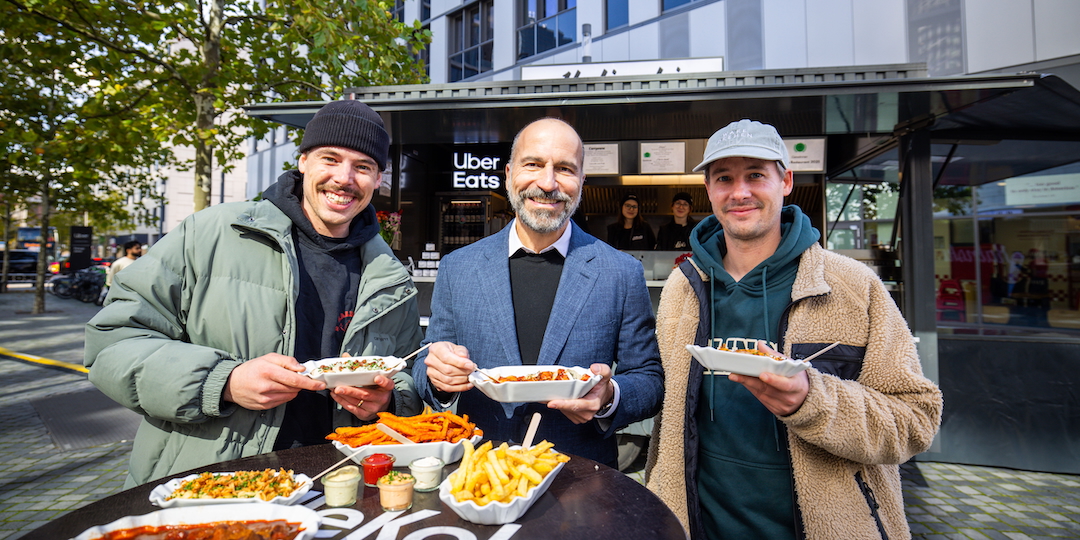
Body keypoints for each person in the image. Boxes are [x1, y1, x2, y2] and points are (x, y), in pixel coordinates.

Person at [85, 100, 424, 488]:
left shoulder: (391, 276)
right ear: (303, 161)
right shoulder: (208, 234)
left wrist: (388, 404)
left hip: (339, 485)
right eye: (330, 158)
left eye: (363, 167)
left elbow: (405, 373)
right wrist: (223, 381)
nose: (344, 178)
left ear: (378, 179)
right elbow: (111, 342)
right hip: (210, 485)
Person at [644, 119, 942, 539]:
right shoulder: (684, 286)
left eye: (755, 175)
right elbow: (667, 411)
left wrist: (812, 399)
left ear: (786, 181)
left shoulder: (853, 287)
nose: (740, 192)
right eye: (724, 178)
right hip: (696, 525)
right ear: (709, 190)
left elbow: (917, 419)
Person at [413, 118, 664, 468]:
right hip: (479, 474)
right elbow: (425, 370)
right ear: (508, 174)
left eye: (564, 169)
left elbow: (649, 380)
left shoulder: (620, 272)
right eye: (533, 164)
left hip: (580, 481)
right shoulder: (458, 267)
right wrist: (438, 379)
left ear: (581, 182)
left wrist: (609, 397)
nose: (547, 183)